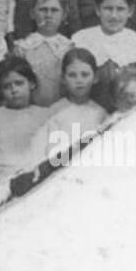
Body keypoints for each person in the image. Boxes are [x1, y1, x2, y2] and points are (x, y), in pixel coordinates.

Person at [15, 48, 106, 181]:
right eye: (72, 75)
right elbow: (40, 152)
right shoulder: (53, 112)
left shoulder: (101, 114)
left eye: (85, 75)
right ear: (63, 78)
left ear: (95, 77)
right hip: (57, 176)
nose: (79, 80)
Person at [70, 0, 136, 113]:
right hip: (88, 111)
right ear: (98, 9)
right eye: (108, 8)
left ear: (130, 11)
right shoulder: (82, 40)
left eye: (120, 9)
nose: (114, 15)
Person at [0, 57, 52, 198]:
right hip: (2, 181)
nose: (14, 90)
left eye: (19, 83)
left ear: (32, 84)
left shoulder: (46, 115)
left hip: (36, 180)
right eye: (7, 86)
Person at [9, 0, 72, 107]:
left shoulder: (69, 47)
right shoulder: (23, 48)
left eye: (54, 10)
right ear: (32, 13)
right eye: (43, 9)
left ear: (64, 14)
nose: (48, 15)